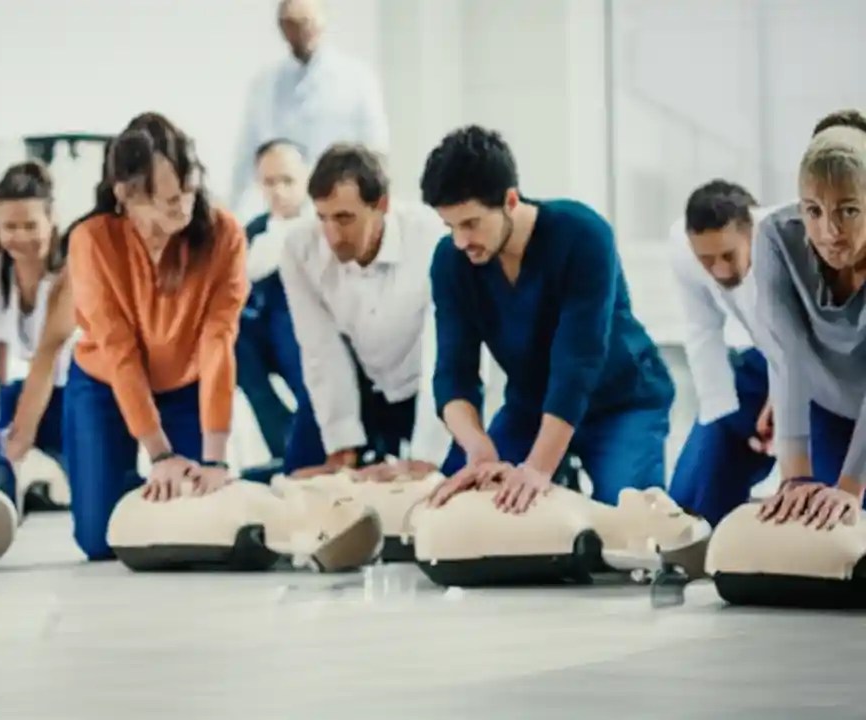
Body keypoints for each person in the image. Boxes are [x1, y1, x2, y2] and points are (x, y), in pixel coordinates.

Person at [420, 125, 675, 513]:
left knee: (627, 522)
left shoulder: (583, 235)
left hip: (621, 402)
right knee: (461, 504)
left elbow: (578, 363)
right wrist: (479, 450)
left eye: (470, 223)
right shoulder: (452, 261)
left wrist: (537, 469)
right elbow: (453, 371)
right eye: (449, 226)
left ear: (509, 200)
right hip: (531, 407)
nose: (460, 241)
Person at [64, 112, 248, 560]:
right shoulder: (91, 240)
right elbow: (119, 352)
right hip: (105, 384)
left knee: (198, 523)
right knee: (99, 540)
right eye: (168, 200)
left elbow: (218, 342)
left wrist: (216, 458)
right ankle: (122, 477)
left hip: (185, 385)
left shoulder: (224, 234)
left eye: (189, 191)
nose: (184, 207)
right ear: (126, 193)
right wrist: (160, 455)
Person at [278, 143, 449, 478]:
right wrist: (342, 444)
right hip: (359, 381)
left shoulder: (431, 239)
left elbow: (444, 353)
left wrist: (427, 456)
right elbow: (320, 348)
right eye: (323, 217)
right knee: (299, 483)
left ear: (382, 205)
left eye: (344, 218)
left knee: (439, 489)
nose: (332, 235)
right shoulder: (300, 248)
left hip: (425, 385)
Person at [754, 112, 866, 531]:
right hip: (829, 402)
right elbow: (787, 353)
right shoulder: (776, 237)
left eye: (849, 210)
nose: (829, 231)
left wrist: (852, 487)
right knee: (821, 522)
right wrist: (795, 476)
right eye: (813, 210)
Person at [667, 180, 781, 525]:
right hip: (760, 360)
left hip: (825, 370)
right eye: (707, 260)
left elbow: (805, 342)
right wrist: (725, 423)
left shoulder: (789, 239)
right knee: (685, 508)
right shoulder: (683, 249)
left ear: (752, 234)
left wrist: (786, 405)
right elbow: (702, 331)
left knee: (832, 508)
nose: (719, 270)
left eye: (729, 256)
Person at [229, 0, 389, 215]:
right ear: (281, 27)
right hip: (282, 212)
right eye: (291, 22)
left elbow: (376, 150)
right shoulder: (264, 85)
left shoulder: (357, 79)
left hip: (340, 206)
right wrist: (230, 211)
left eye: (307, 20)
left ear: (323, 20)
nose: (302, 30)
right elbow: (245, 156)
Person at [0, 161, 74, 474]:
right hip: (32, 386)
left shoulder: (69, 271)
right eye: (10, 227)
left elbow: (47, 356)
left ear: (52, 219)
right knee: (0, 415)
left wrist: (21, 437)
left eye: (31, 226)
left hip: (72, 389)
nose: (21, 237)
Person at [236, 138, 313, 461]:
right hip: (261, 333)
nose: (278, 191)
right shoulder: (252, 231)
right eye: (269, 182)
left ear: (306, 178)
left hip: (308, 333)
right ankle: (283, 440)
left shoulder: (323, 224)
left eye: (287, 180)